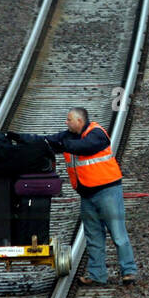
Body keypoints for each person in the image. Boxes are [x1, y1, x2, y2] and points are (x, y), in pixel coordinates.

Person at [43, 108, 137, 286]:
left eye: (69, 119)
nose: (66, 122)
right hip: (86, 194)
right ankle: (97, 275)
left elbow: (84, 148)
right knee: (93, 236)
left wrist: (62, 144)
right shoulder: (69, 136)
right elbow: (49, 141)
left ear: (79, 121)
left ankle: (129, 271)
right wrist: (22, 139)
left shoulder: (97, 134)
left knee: (118, 234)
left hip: (107, 191)